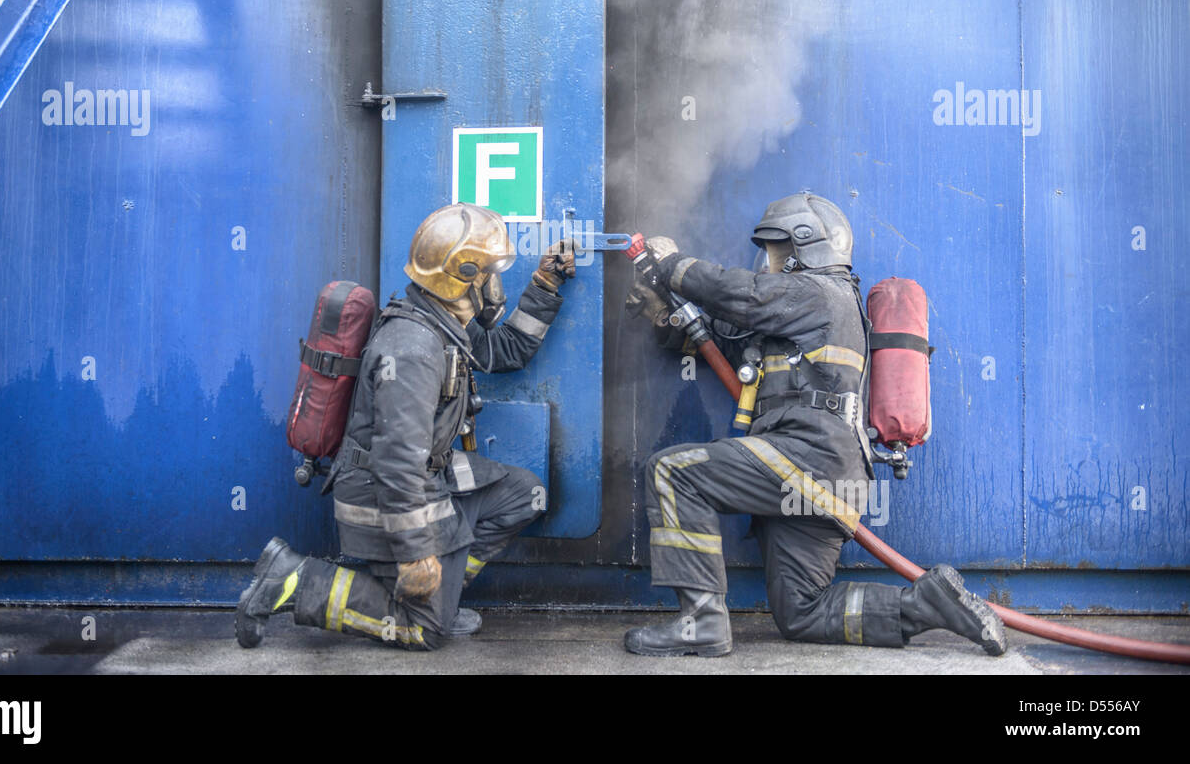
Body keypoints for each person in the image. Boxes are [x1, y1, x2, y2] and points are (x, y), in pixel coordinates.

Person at [623, 192, 1007, 658]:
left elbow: (739, 295)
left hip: (808, 459)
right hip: (829, 480)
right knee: (803, 613)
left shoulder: (821, 292)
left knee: (673, 471)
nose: (769, 260)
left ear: (806, 247)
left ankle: (701, 622)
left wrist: (672, 265)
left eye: (777, 249)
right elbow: (719, 338)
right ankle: (925, 605)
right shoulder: (802, 314)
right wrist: (661, 315)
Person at [236, 203, 574, 651]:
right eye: (488, 272)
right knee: (424, 632)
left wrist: (544, 286)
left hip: (425, 477)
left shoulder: (441, 319)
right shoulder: (414, 349)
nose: (495, 284)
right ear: (463, 275)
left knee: (522, 493)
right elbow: (396, 463)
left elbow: (504, 352)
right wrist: (416, 554)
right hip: (386, 493)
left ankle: (441, 597)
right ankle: (295, 579)